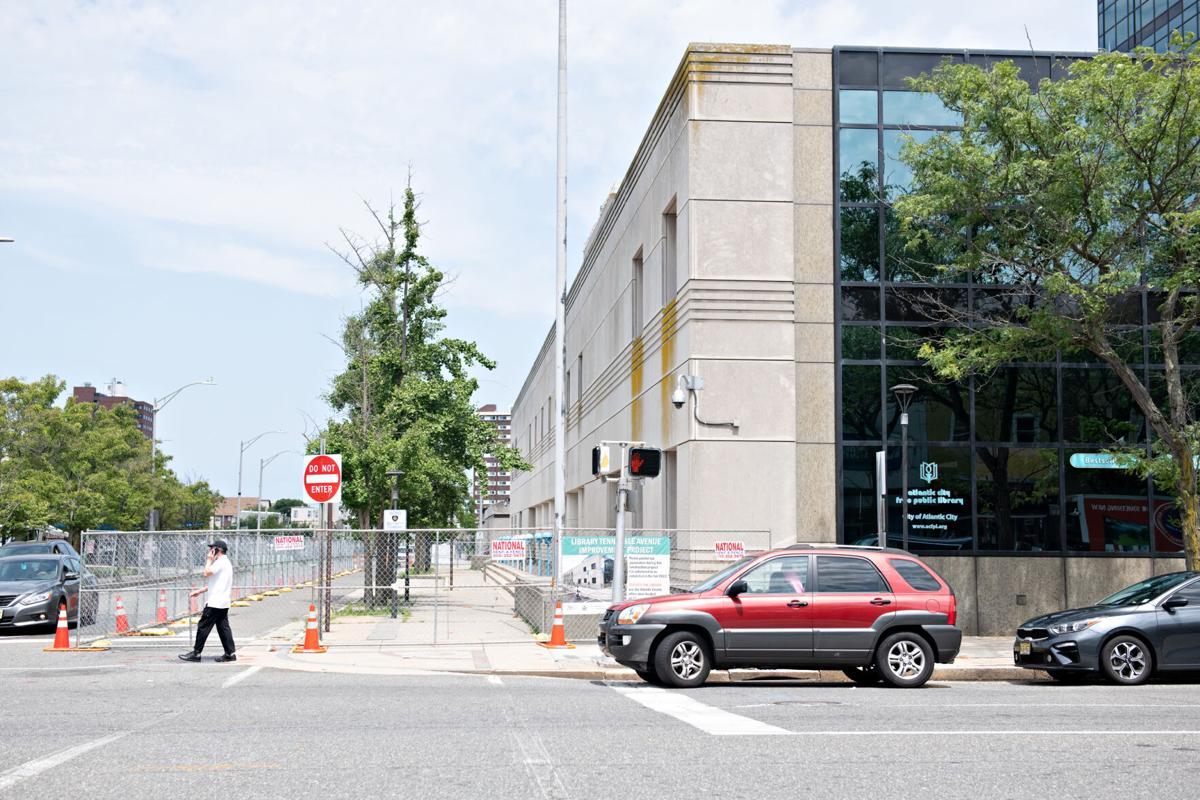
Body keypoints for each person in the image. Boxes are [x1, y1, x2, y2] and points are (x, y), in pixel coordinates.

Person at [178, 538, 236, 663]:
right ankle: (230, 653)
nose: (210, 551)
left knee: (203, 626)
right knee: (223, 628)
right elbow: (217, 583)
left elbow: (206, 573)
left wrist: (209, 560)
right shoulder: (226, 563)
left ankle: (196, 653)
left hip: (215, 603)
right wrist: (200, 591)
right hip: (223, 602)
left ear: (217, 550)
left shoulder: (220, 562)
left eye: (212, 549)